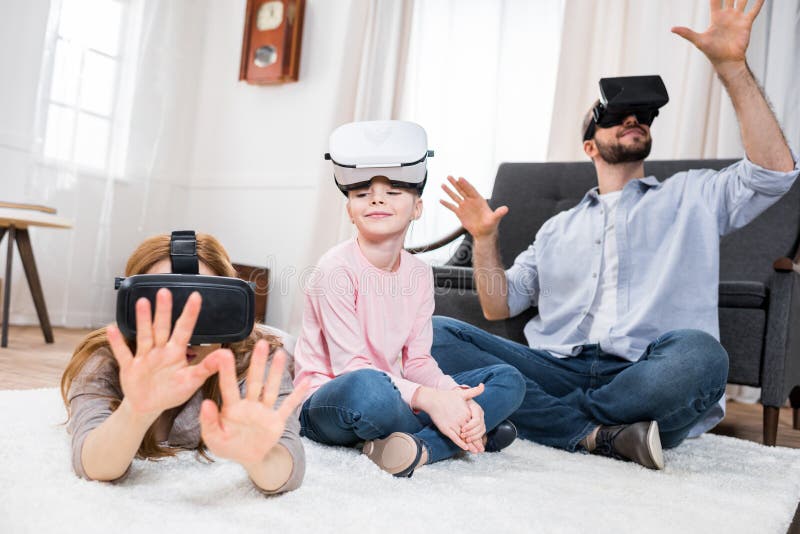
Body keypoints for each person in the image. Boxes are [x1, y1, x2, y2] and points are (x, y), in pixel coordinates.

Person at [432, 0, 799, 469]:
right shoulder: (556, 229)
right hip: (557, 366)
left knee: (703, 357)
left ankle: (546, 417)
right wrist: (484, 240)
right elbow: (498, 306)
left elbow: (774, 173)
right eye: (615, 115)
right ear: (590, 145)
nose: (632, 120)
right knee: (434, 334)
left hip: (643, 372)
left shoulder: (693, 195)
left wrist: (732, 68)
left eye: (642, 115)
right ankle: (601, 433)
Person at [293, 120, 526, 477]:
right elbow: (351, 368)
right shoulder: (334, 269)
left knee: (509, 379)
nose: (377, 198)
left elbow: (417, 362)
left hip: (397, 389)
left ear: (417, 207)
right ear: (350, 211)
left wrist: (451, 395)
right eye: (362, 194)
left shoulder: (419, 274)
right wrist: (429, 400)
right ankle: (466, 432)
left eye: (393, 192)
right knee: (371, 390)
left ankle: (421, 447)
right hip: (333, 399)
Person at [61, 233, 308, 494]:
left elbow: (284, 467)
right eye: (166, 306)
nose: (185, 333)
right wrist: (135, 411)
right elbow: (93, 465)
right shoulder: (106, 358)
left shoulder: (258, 361)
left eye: (202, 309)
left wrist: (257, 455)